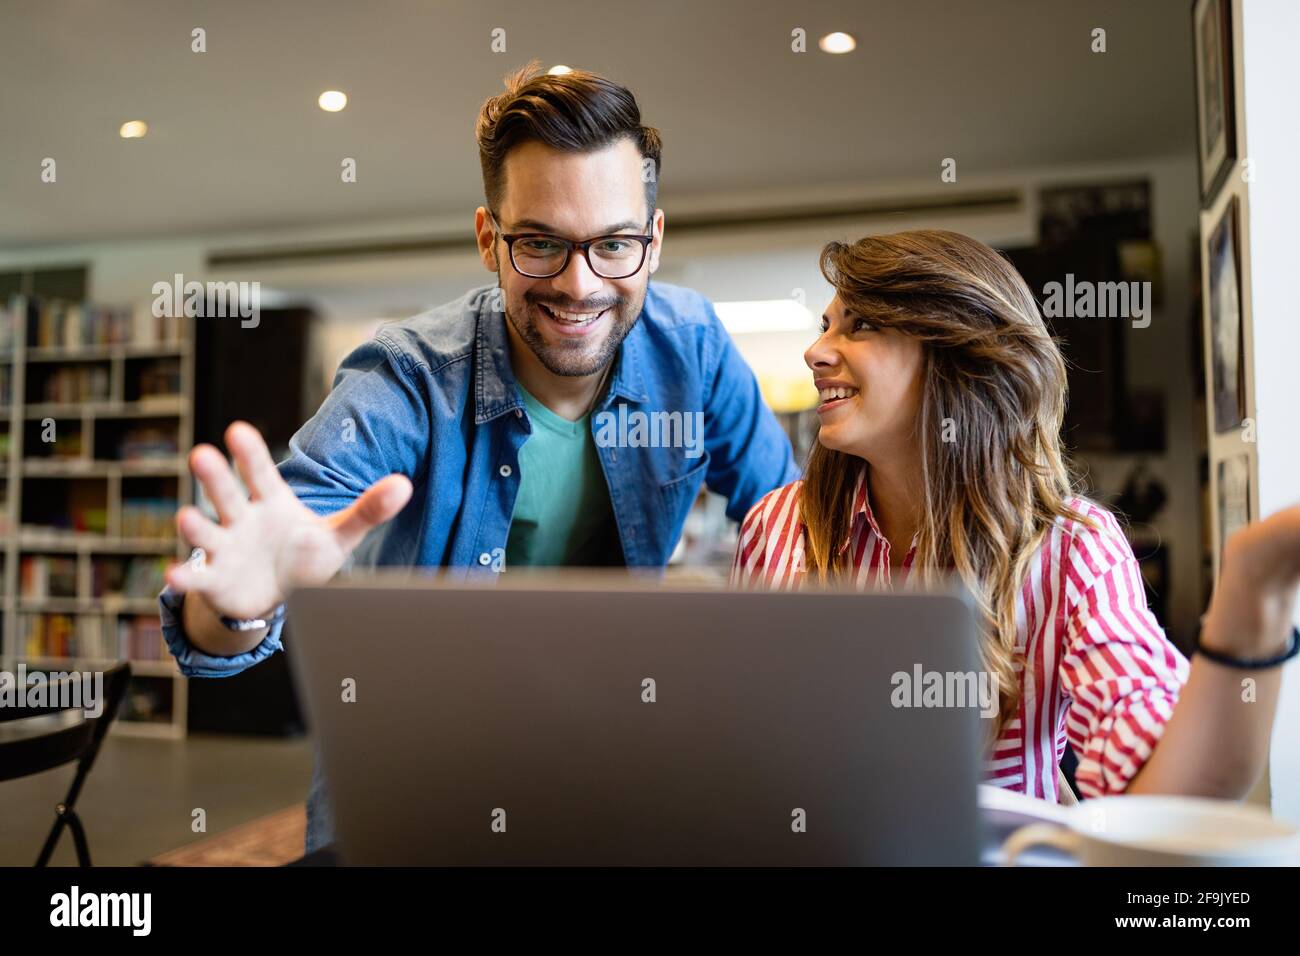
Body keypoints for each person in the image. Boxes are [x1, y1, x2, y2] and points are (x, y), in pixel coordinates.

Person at [158, 65, 798, 851]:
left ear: (653, 241)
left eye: (614, 244)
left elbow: (792, 523)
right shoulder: (407, 374)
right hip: (420, 770)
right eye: (539, 243)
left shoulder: (693, 350)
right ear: (489, 238)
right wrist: (237, 605)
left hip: (612, 752)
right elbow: (225, 615)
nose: (579, 283)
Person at [733, 229, 1298, 802]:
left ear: (958, 356)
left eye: (862, 325)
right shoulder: (775, 528)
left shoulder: (1072, 548)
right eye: (826, 326)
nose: (816, 351)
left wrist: (1256, 585)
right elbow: (740, 745)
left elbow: (1168, 797)